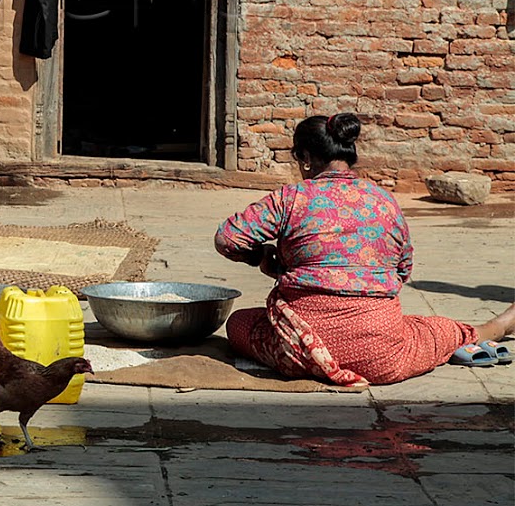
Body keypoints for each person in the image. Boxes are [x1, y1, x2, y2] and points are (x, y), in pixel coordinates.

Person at [216, 113, 515, 385]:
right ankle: (495, 327)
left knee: (239, 323)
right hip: (381, 357)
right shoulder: (384, 200)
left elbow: (228, 238)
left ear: (305, 158)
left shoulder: (291, 198)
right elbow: (402, 270)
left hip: (298, 350)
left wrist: (261, 257)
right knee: (433, 330)